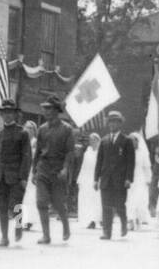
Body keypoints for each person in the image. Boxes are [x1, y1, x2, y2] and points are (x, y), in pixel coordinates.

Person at [32, 96, 75, 243]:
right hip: (43, 168)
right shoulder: (42, 129)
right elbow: (38, 151)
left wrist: (65, 169)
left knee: (58, 203)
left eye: (49, 108)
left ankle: (66, 225)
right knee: (41, 202)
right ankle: (46, 235)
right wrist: (34, 171)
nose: (46, 111)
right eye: (45, 108)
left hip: (58, 170)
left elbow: (70, 152)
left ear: (57, 110)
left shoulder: (67, 129)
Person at [0, 99, 31, 246]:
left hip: (16, 176)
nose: (7, 115)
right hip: (1, 176)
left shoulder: (22, 133)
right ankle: (4, 237)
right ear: (1, 115)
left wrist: (23, 177)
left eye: (10, 112)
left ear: (15, 114)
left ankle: (19, 226)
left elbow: (26, 156)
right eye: (4, 113)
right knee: (1, 206)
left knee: (17, 205)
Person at [93, 110, 134, 240]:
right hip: (105, 179)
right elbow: (99, 161)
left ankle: (123, 223)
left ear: (120, 124)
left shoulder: (126, 140)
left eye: (115, 122)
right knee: (106, 206)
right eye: (110, 122)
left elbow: (130, 161)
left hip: (120, 179)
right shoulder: (104, 140)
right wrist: (95, 179)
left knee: (120, 204)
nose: (112, 124)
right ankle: (107, 232)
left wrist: (128, 178)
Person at [126, 131, 152, 230]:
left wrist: (148, 178)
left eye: (133, 141)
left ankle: (137, 219)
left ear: (137, 141)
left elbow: (147, 167)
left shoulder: (142, 153)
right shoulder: (127, 152)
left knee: (139, 199)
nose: (131, 143)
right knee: (129, 199)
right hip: (129, 179)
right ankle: (130, 219)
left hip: (140, 178)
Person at [18, 120, 40, 236]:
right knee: (19, 197)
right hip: (21, 172)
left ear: (34, 130)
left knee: (30, 197)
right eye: (26, 127)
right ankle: (19, 221)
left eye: (31, 128)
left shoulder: (35, 142)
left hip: (32, 172)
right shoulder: (21, 141)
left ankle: (28, 221)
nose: (28, 130)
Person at [76, 131, 101, 228]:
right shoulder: (88, 151)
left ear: (97, 140)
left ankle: (94, 220)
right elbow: (83, 166)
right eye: (90, 140)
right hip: (86, 177)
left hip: (95, 177)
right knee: (85, 198)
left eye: (93, 140)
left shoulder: (100, 151)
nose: (91, 141)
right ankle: (87, 219)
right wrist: (80, 179)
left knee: (95, 199)